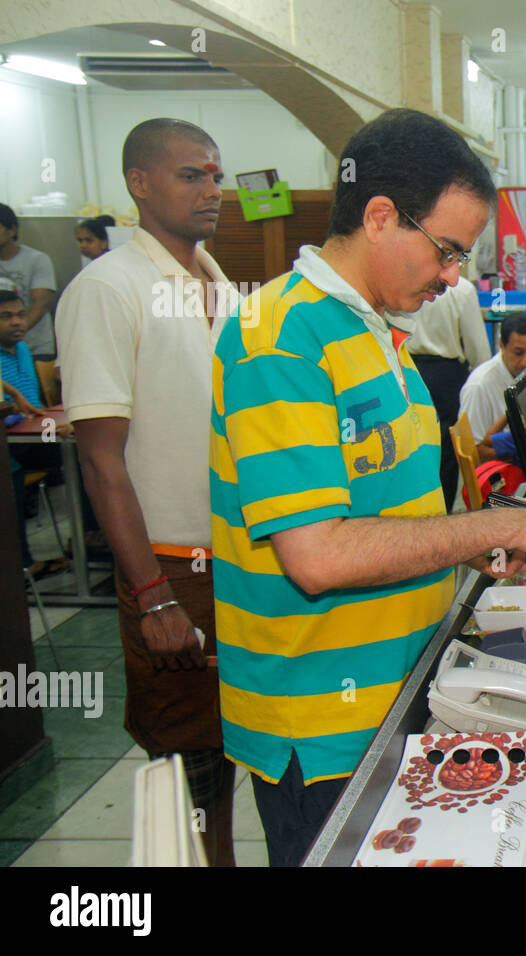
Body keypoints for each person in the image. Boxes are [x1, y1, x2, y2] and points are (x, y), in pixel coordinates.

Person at [210, 109, 526, 867]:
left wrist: (469, 551)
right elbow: (318, 556)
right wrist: (494, 529)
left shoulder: (380, 335)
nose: (451, 275)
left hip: (406, 685)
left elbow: (389, 517)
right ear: (379, 217)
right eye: (446, 250)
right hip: (327, 720)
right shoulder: (280, 336)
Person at [57, 118, 241, 867]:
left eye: (216, 176)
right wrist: (152, 594)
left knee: (232, 752)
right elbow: (101, 460)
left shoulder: (218, 277)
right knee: (188, 766)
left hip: (238, 556)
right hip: (171, 566)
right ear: (139, 184)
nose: (211, 191)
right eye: (190, 175)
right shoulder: (108, 288)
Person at [395, 275, 492, 511]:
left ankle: (415, 513)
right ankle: (442, 514)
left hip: (406, 368)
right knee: (447, 453)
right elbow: (478, 350)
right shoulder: (461, 289)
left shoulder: (403, 280)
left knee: (413, 447)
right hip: (447, 376)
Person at [1, 289, 65, 578]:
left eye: (19, 315)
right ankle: (22, 564)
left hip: (33, 434)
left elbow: (33, 405)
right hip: (12, 440)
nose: (16, 322)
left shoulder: (24, 350)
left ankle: (89, 536)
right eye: (5, 317)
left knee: (88, 453)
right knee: (10, 475)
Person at [458, 311, 526, 461]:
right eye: (518, 353)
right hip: (497, 479)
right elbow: (472, 454)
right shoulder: (479, 386)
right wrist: (522, 451)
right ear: (501, 345)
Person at [0, 203, 58, 361]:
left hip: (36, 349)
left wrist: (17, 331)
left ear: (11, 230)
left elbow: (41, 303)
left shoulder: (37, 260)